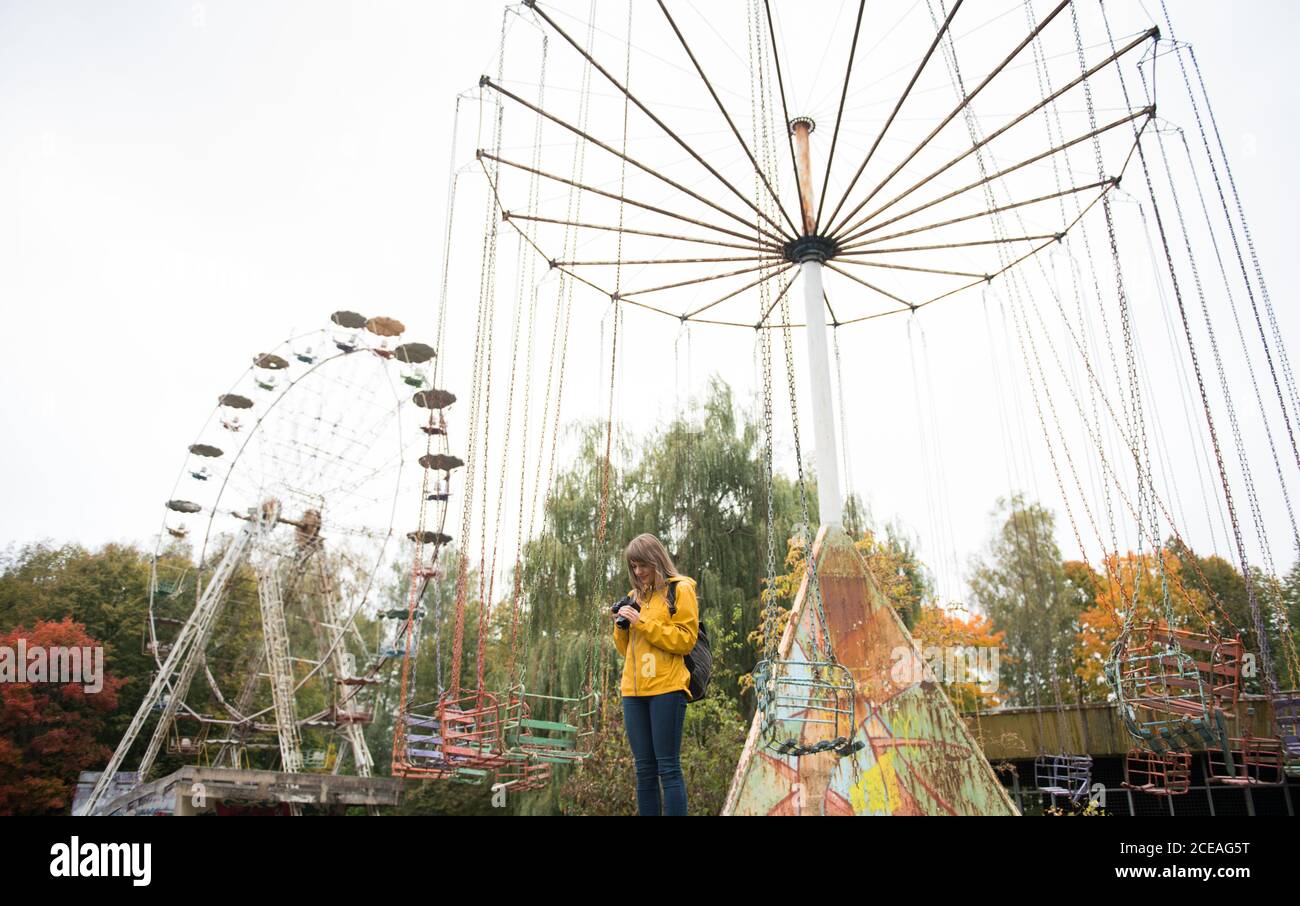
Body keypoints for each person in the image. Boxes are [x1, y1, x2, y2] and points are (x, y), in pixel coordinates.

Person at [612, 532, 699, 816]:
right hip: (633, 693)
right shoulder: (633, 597)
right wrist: (621, 626)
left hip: (666, 689)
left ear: (656, 560)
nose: (638, 572)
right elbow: (626, 651)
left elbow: (685, 640)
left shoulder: (680, 589)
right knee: (644, 771)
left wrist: (642, 622)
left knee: (668, 767)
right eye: (633, 567)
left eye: (643, 565)